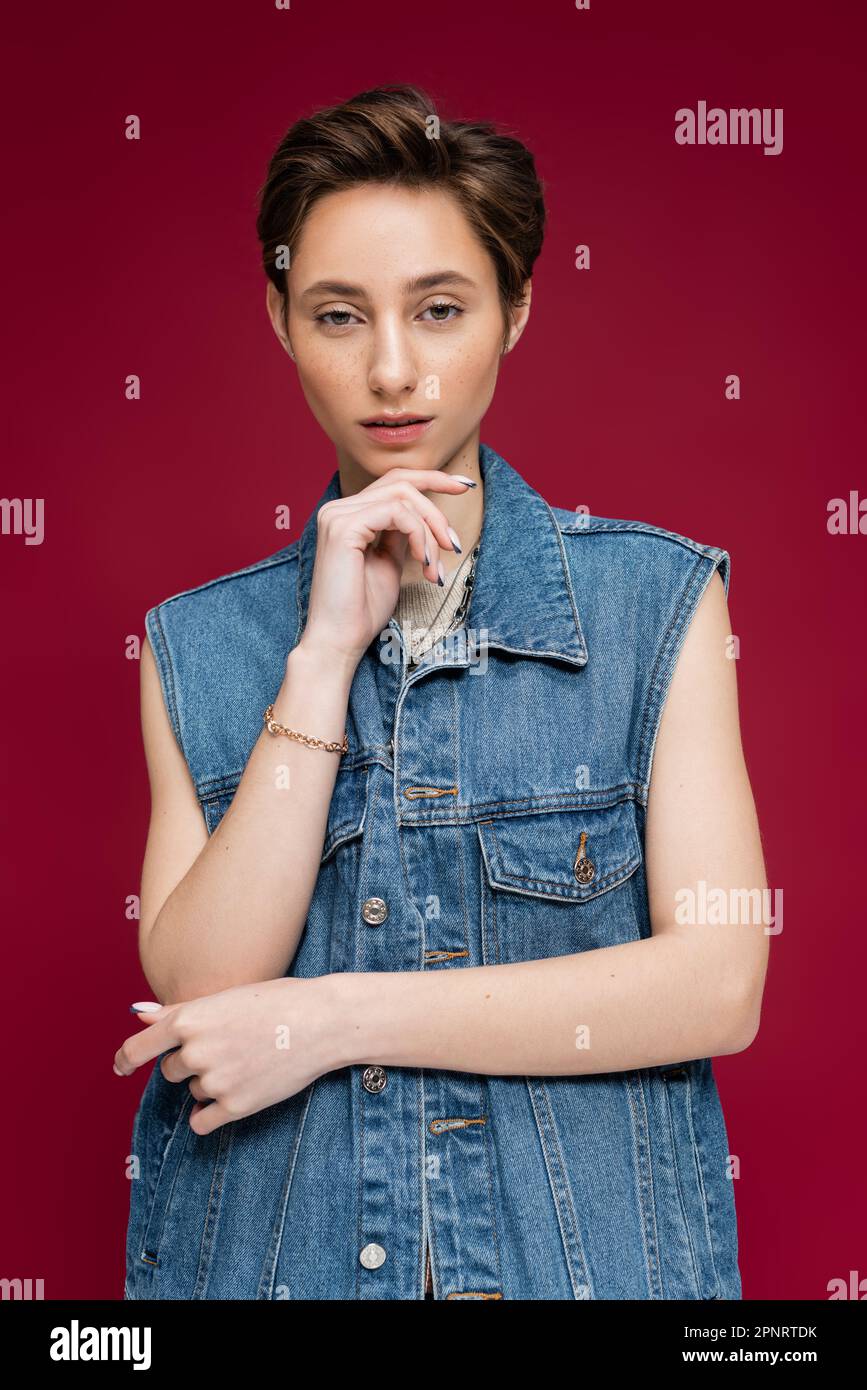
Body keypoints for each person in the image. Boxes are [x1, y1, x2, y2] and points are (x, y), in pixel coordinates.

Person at [117, 84, 768, 1301]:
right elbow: (203, 1001)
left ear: (517, 309)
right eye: (338, 315)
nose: (392, 368)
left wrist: (333, 1019)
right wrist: (319, 651)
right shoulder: (195, 644)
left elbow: (720, 982)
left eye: (440, 308)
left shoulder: (656, 603)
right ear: (278, 318)